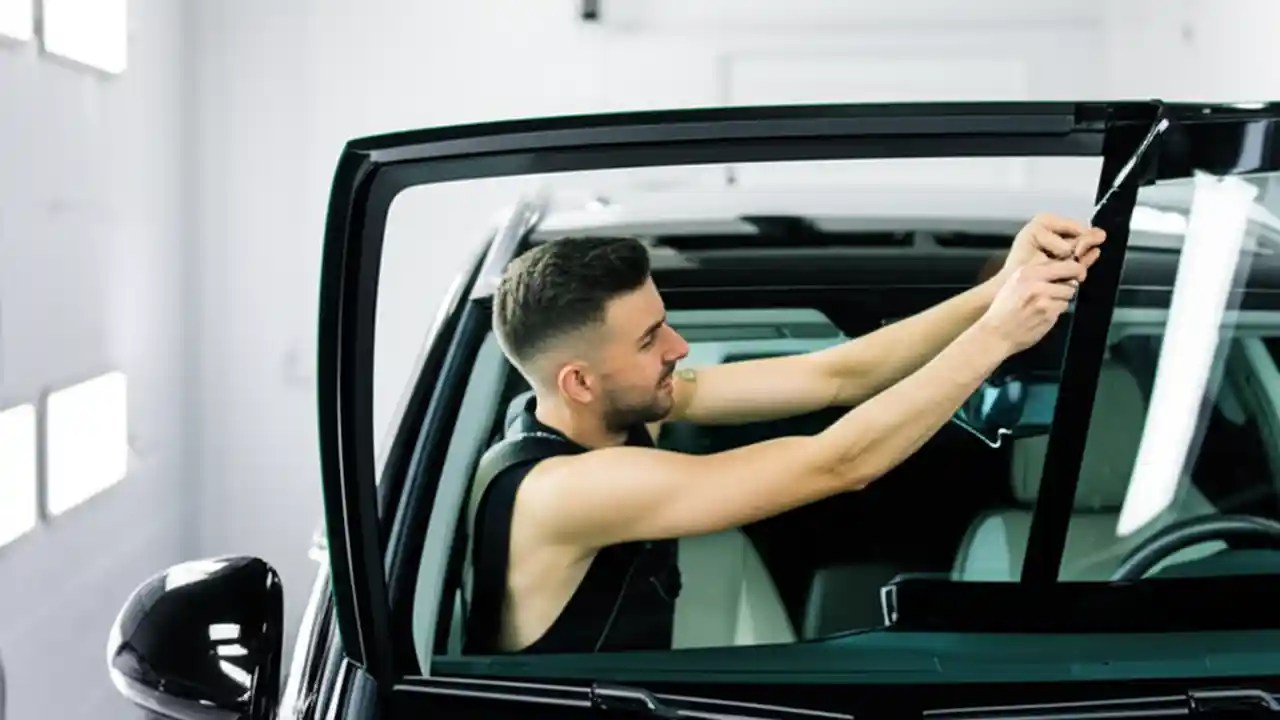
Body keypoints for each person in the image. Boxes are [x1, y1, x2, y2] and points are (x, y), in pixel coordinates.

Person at [465, 214, 1106, 654]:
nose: (679, 347)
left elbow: (838, 374)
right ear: (578, 381)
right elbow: (838, 463)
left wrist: (991, 294)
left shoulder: (612, 411)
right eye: (648, 339)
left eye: (664, 323)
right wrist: (997, 337)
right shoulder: (566, 492)